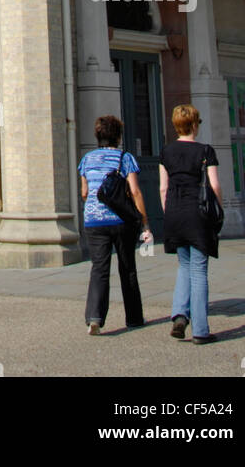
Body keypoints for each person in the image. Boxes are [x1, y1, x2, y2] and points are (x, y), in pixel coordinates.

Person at [79, 114, 153, 334]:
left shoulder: (87, 159)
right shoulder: (125, 158)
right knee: (127, 267)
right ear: (118, 137)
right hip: (122, 220)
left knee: (99, 268)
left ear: (98, 136)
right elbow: (135, 191)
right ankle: (134, 317)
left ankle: (95, 317)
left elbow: (84, 192)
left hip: (94, 221)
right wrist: (145, 222)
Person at [160, 103, 223, 343]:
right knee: (198, 269)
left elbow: (163, 187)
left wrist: (169, 212)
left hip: (175, 212)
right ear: (194, 124)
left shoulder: (166, 152)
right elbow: (214, 185)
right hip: (198, 214)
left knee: (184, 266)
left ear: (176, 125)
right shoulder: (205, 151)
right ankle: (201, 330)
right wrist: (220, 210)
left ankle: (179, 315)